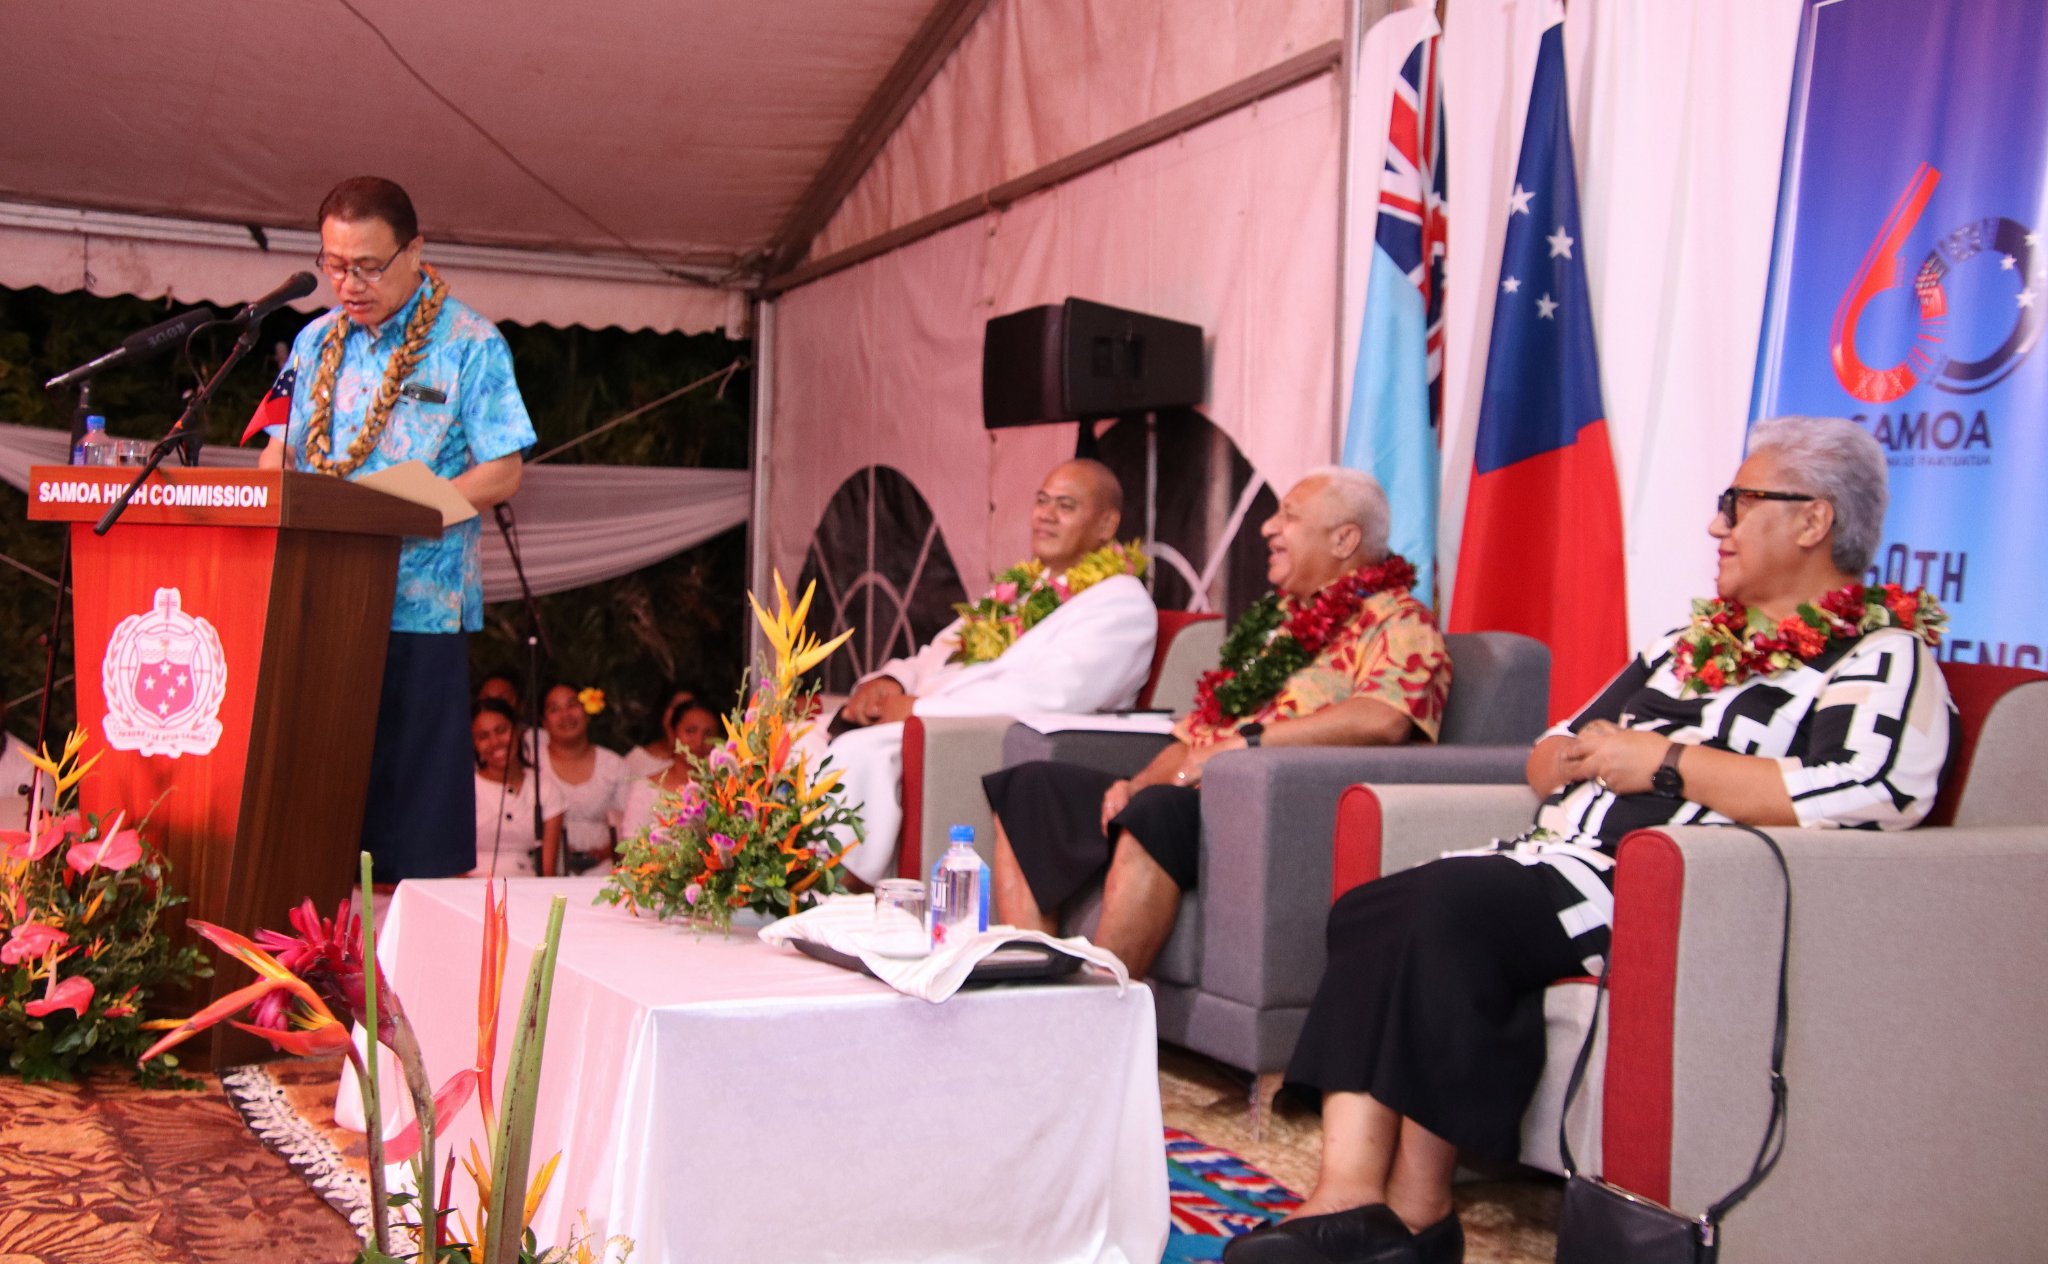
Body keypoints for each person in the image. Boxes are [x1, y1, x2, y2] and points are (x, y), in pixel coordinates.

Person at [1225, 418, 1955, 1264]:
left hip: (1669, 892)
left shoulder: (1877, 654)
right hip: (1552, 857)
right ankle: (1373, 1206)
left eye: (1737, 504)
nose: (1716, 525)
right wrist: (1574, 757)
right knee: (1376, 906)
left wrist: (1666, 764)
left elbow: (1871, 790)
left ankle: (1397, 1213)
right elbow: (1552, 749)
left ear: (1813, 519)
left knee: (1446, 908)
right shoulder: (1687, 646)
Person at [985, 467, 1451, 980]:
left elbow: (1383, 718)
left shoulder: (1399, 620)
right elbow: (1195, 739)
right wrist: (1136, 784)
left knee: (1157, 811)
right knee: (1031, 787)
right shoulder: (1275, 624)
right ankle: (1033, 992)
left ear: (1344, 539)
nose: (1268, 528)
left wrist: (1247, 743)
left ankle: (1099, 1009)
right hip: (1195, 797)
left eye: (1289, 517)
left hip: (1272, 812)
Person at [256, 176, 536, 885]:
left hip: (418, 611)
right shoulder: (313, 342)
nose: (349, 285)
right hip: (314, 608)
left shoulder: (470, 344)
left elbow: (503, 471)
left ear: (414, 251)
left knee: (405, 847)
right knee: (308, 827)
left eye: (368, 266)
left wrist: (398, 512)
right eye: (334, 265)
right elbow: (275, 455)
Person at [825, 458, 1158, 886]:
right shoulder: (1019, 590)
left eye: (1065, 506)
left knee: (857, 755)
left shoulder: (1121, 602)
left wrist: (920, 709)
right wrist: (890, 682)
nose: (1046, 515)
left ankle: (830, 896)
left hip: (984, 738)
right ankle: (769, 884)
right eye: (1042, 501)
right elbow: (938, 653)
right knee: (802, 737)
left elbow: (1049, 697)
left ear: (1107, 524)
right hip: (932, 719)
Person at [469, 697, 564, 879]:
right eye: (483, 737)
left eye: (501, 731)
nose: (495, 742)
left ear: (518, 731)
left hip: (528, 886)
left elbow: (548, 871)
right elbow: (453, 868)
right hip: (471, 888)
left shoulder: (544, 788)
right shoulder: (465, 790)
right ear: (474, 744)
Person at [540, 683, 628, 875]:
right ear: (544, 722)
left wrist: (603, 853)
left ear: (587, 713)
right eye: (554, 709)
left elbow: (628, 826)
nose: (565, 715)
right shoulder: (533, 762)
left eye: (572, 705)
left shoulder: (613, 764)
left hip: (605, 870)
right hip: (548, 870)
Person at [618, 699, 720, 843]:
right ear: (672, 734)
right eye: (691, 731)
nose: (699, 741)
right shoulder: (646, 788)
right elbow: (630, 846)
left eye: (708, 733)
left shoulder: (723, 789)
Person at [620, 682, 698, 781]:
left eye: (687, 709)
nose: (680, 716)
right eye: (676, 708)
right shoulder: (637, 760)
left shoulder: (705, 764)